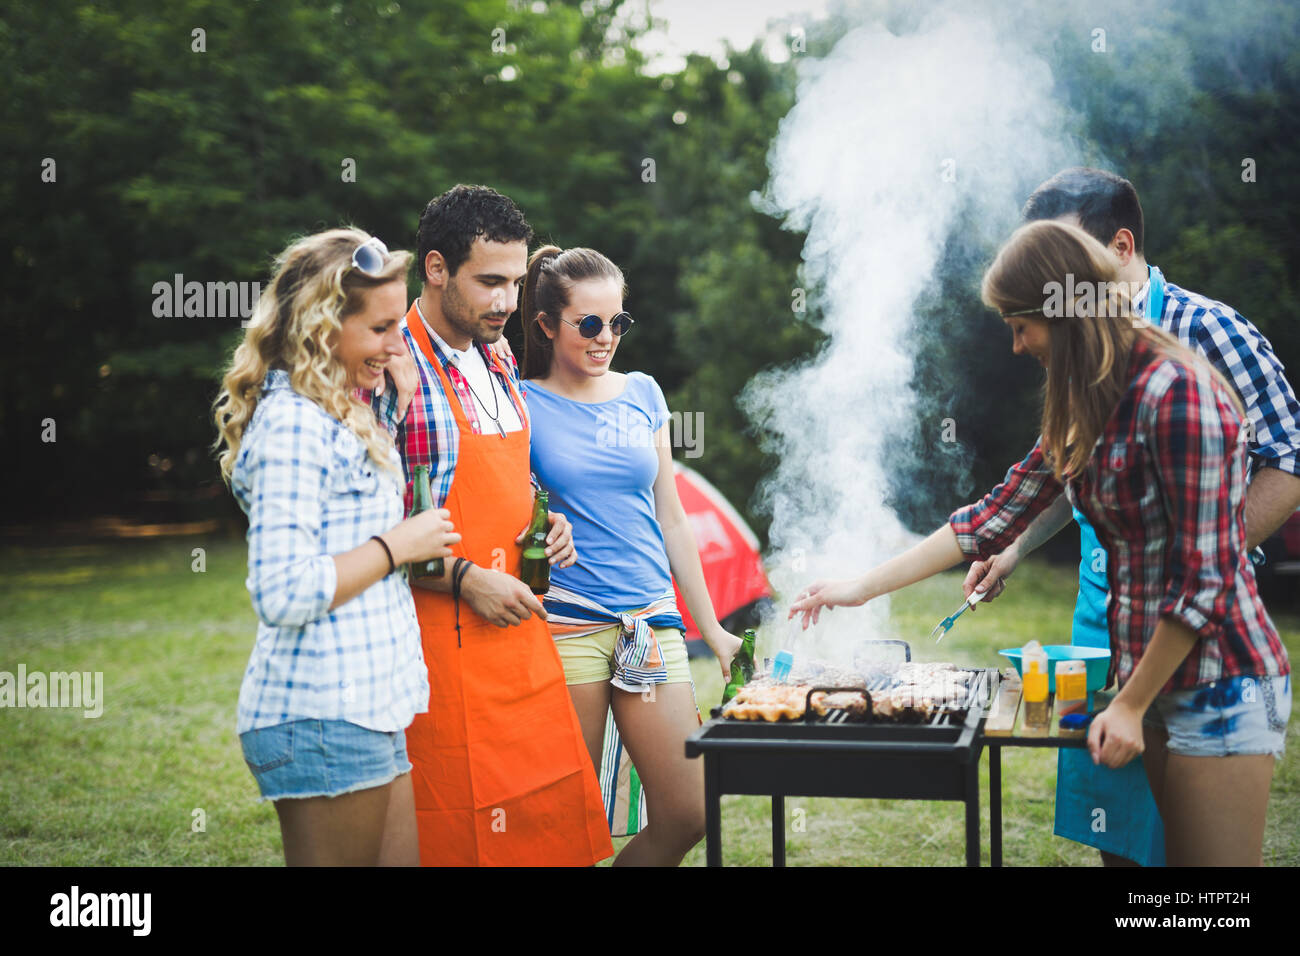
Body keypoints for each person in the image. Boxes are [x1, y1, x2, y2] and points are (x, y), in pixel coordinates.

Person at [791, 220, 1291, 867]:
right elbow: (992, 517)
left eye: (1020, 324)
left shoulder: (1177, 394)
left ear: (1064, 311)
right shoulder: (1088, 396)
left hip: (1221, 681)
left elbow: (1207, 579)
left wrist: (1132, 703)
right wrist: (858, 587)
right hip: (1156, 677)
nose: (1017, 345)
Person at [959, 168, 1300, 867]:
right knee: (1118, 841)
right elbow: (1068, 468)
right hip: (1103, 619)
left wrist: (1209, 558)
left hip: (1197, 627)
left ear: (1119, 246)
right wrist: (1015, 547)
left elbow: (1291, 458)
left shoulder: (1208, 331)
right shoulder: (1078, 338)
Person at [369, 185, 612, 866]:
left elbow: (511, 477)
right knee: (453, 837)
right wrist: (465, 577)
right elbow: (367, 526)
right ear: (437, 268)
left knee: (542, 838)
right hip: (435, 648)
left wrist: (547, 516)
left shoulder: (499, 356)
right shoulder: (390, 369)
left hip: (520, 638)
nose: (509, 301)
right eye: (490, 281)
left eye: (515, 280)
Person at [213, 228, 460, 865]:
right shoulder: (294, 424)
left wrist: (391, 401)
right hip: (322, 711)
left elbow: (346, 508)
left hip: (370, 706)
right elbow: (282, 590)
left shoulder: (342, 411)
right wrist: (398, 545)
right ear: (325, 326)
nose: (397, 343)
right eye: (381, 328)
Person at [516, 245, 741, 866]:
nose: (606, 336)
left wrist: (714, 629)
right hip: (569, 625)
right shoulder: (520, 403)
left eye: (618, 322)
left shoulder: (643, 392)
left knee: (691, 809)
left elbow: (671, 516)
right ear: (546, 325)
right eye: (590, 324)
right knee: (567, 826)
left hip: (652, 620)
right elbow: (511, 513)